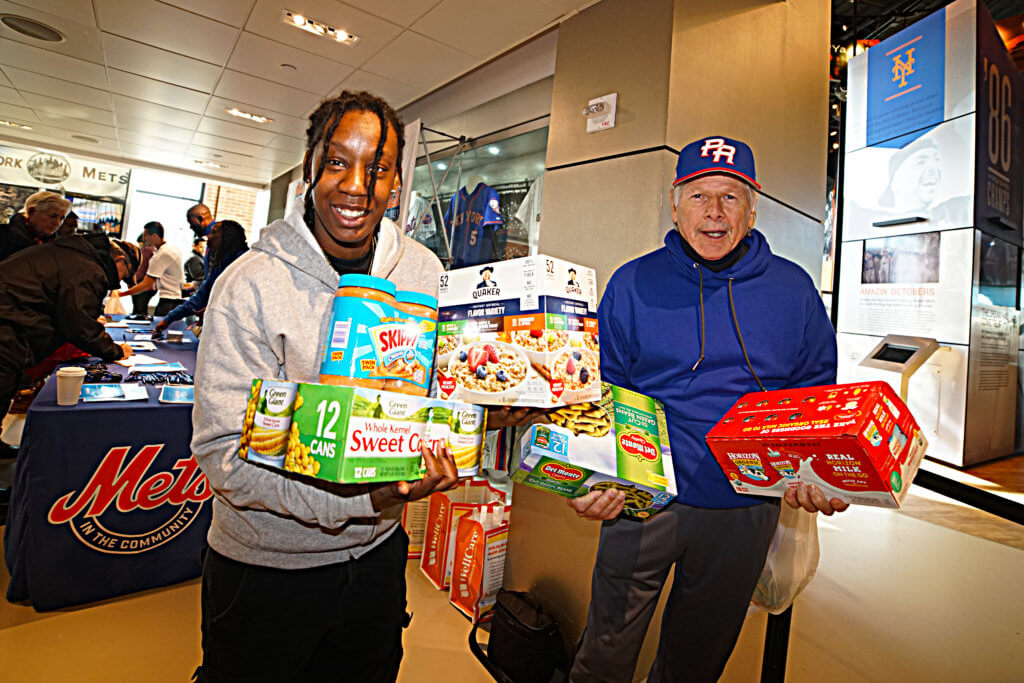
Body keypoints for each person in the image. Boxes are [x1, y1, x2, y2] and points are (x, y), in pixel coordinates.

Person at [190, 91, 462, 683]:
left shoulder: (423, 272)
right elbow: (222, 454)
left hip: (377, 562)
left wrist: (487, 417)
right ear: (310, 164)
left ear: (396, 181)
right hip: (265, 567)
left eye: (378, 168)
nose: (356, 186)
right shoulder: (249, 283)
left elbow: (436, 398)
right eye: (338, 161)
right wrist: (370, 498)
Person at [568, 136, 847, 683]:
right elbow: (601, 394)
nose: (714, 213)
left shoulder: (794, 290)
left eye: (730, 196)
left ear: (752, 207)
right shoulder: (631, 283)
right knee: (605, 649)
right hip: (643, 499)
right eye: (699, 196)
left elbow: (815, 401)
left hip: (745, 506)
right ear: (674, 204)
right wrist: (592, 476)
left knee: (697, 658)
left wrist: (816, 472)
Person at [0, 233, 133, 441]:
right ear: (119, 260)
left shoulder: (73, 255)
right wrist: (115, 351)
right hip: (7, 327)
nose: (120, 283)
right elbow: (79, 325)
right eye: (125, 275)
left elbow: (69, 309)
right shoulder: (89, 269)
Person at [152, 221, 247, 337]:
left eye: (213, 233)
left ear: (226, 237)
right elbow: (200, 297)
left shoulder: (243, 263)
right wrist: (168, 319)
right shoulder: (221, 263)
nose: (208, 237)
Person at [119, 221, 185, 316]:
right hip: (176, 299)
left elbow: (146, 283)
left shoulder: (161, 255)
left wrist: (122, 294)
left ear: (154, 236)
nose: (144, 239)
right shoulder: (172, 249)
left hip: (169, 300)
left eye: (146, 236)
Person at [0, 190, 70, 261]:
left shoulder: (57, 246)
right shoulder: (3, 236)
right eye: (52, 216)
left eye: (61, 218)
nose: (57, 223)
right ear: (31, 211)